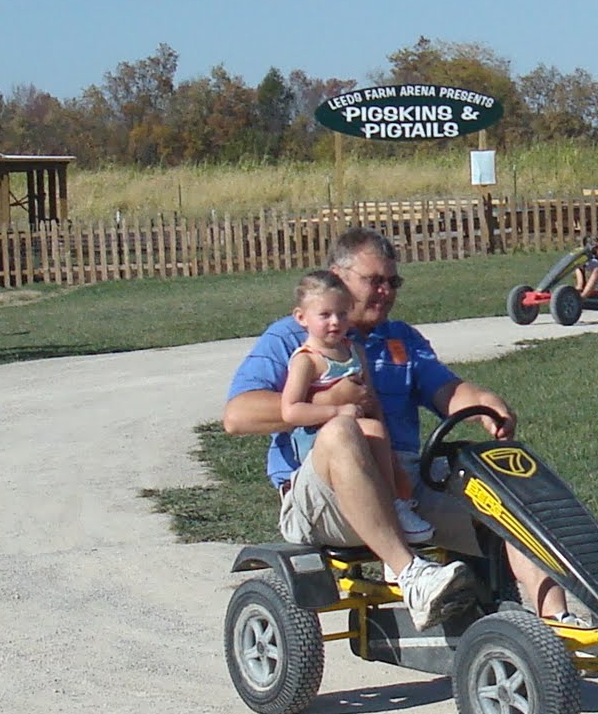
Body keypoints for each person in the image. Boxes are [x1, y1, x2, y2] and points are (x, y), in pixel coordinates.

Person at [224, 227, 577, 629]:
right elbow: (238, 415)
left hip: (403, 485)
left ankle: (559, 626)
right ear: (337, 276)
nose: (385, 292)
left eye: (393, 282)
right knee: (342, 432)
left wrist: (482, 403)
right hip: (323, 495)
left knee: (502, 487)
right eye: (374, 281)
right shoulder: (293, 336)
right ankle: (411, 575)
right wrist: (329, 404)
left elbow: (444, 389)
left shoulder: (400, 339)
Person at [280, 269, 433, 544]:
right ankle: (389, 514)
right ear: (301, 317)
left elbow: (371, 402)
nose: (335, 322)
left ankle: (394, 503)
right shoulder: (307, 360)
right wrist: (336, 411)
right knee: (364, 428)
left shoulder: (354, 351)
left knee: (375, 426)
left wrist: (396, 468)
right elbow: (290, 411)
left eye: (342, 313)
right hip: (321, 449)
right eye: (325, 315)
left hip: (364, 437)